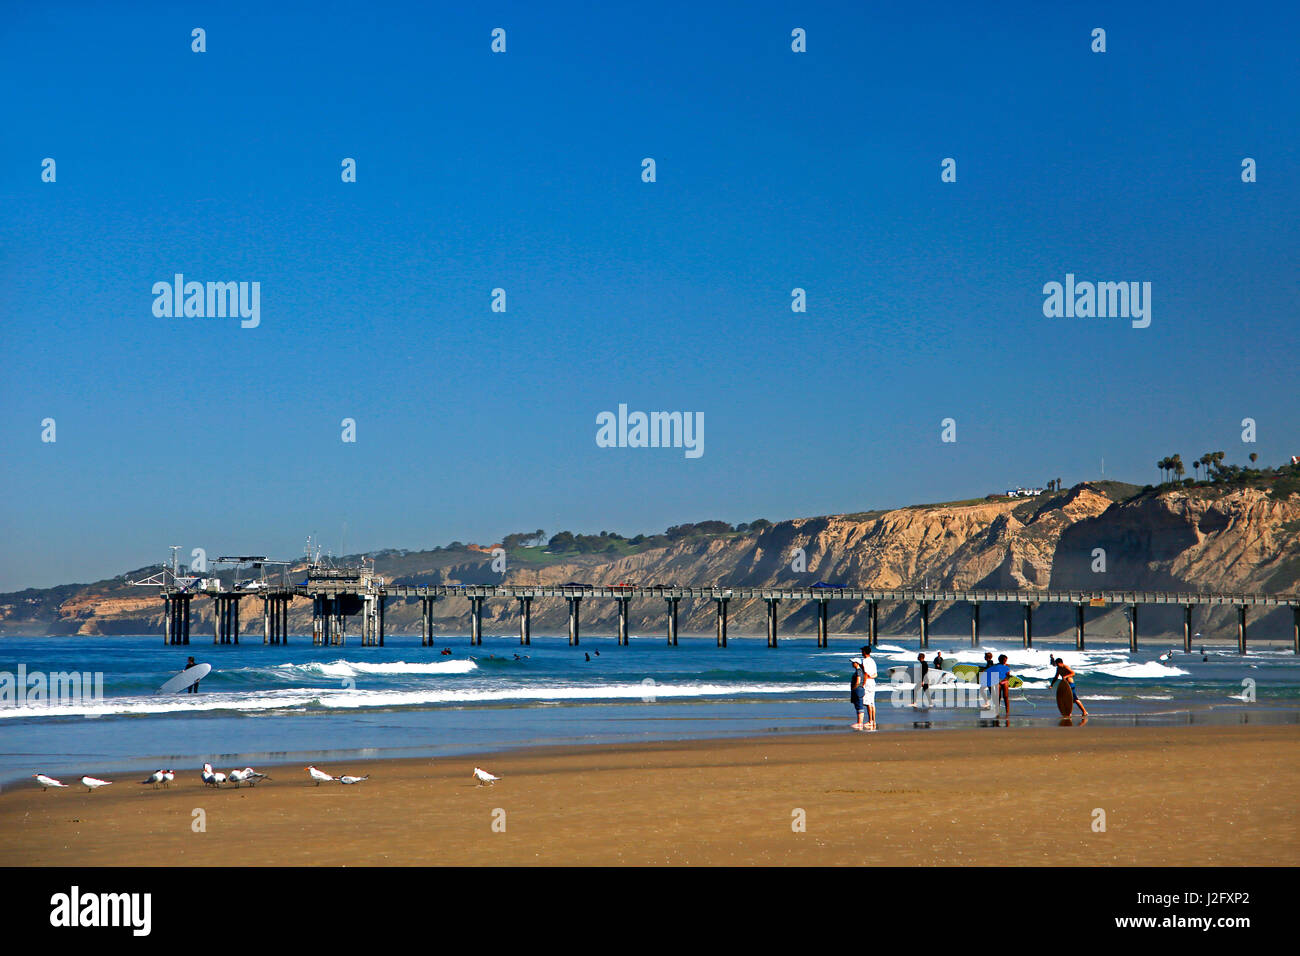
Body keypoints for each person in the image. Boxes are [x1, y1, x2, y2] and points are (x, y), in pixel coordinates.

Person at [859, 645, 878, 731]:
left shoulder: (864, 661)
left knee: (867, 703)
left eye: (862, 651)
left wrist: (863, 684)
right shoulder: (873, 661)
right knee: (872, 702)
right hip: (872, 682)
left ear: (864, 652)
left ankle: (870, 721)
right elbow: (875, 674)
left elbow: (865, 673)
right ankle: (873, 721)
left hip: (867, 683)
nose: (861, 652)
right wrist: (871, 677)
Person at [850, 660, 865, 729]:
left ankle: (860, 723)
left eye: (853, 662)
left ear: (857, 663)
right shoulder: (858, 670)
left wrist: (854, 688)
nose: (852, 664)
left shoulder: (859, 671)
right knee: (857, 705)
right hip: (858, 689)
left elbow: (858, 681)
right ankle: (859, 722)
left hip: (858, 689)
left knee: (859, 705)